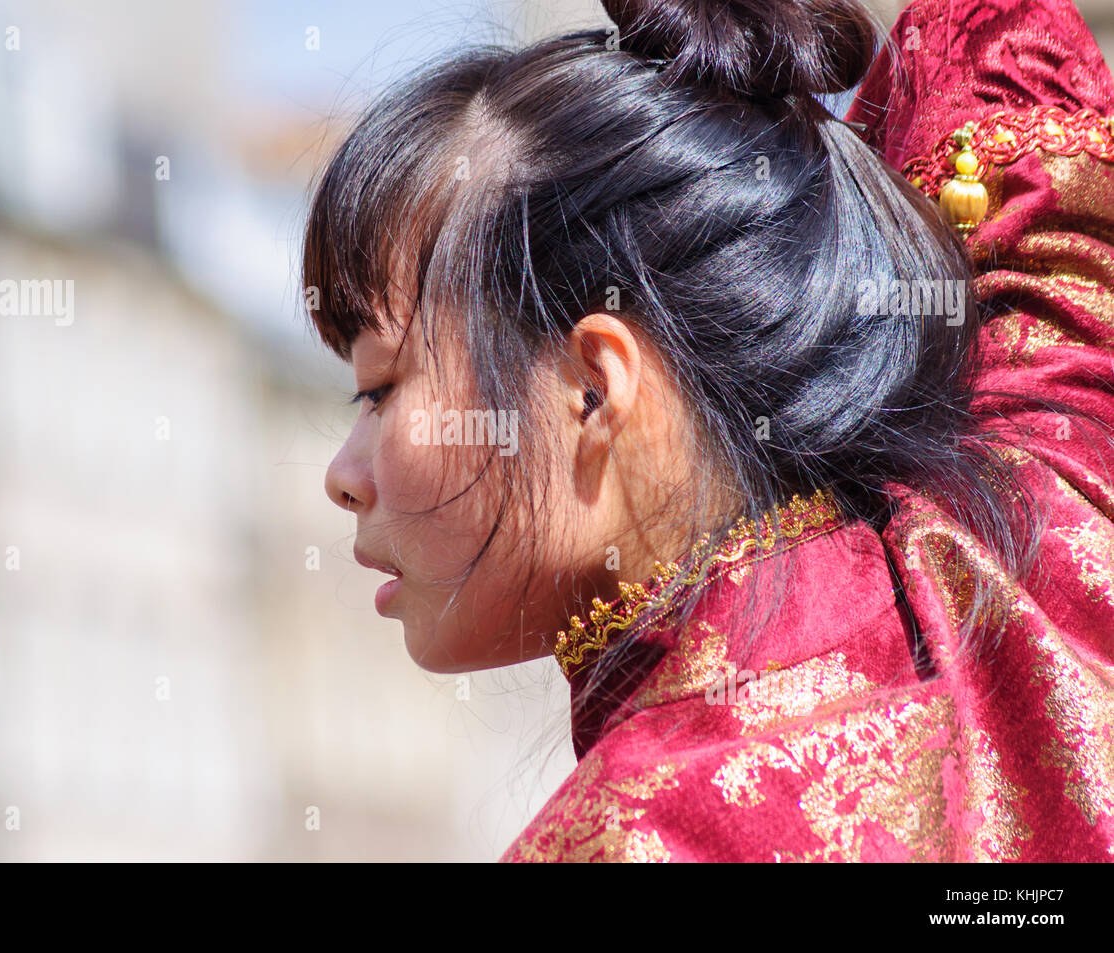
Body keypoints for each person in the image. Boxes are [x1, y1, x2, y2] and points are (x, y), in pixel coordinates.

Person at [306, 0, 1114, 861]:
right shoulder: (1043, 509)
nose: (342, 475)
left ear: (591, 388)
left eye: (380, 387)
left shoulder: (635, 839)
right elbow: (1003, 71)